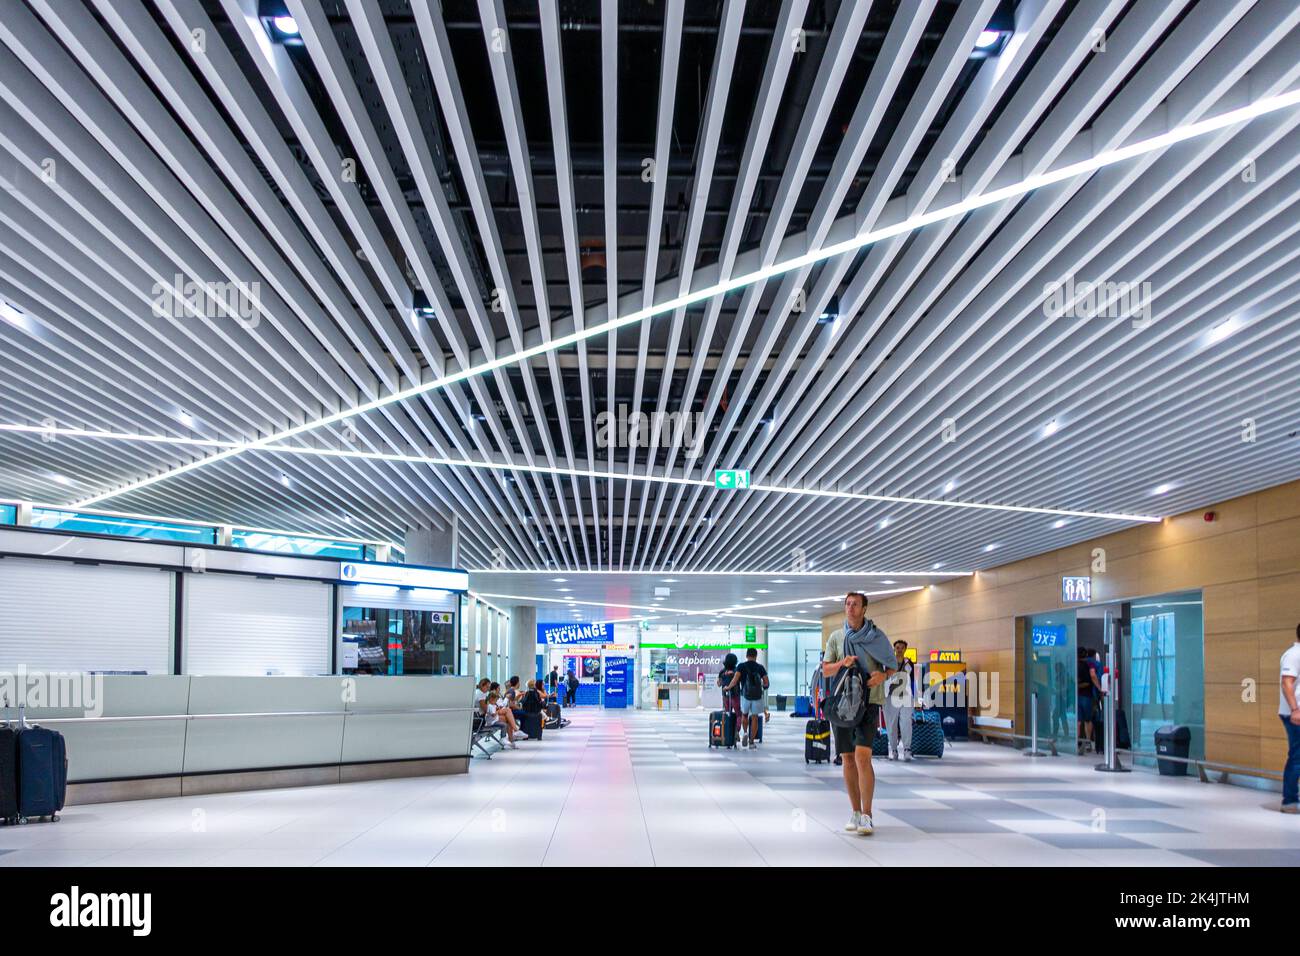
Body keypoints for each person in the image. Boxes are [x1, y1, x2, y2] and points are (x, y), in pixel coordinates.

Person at [822, 591, 897, 835]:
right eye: (847, 604)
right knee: (847, 758)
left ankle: (867, 814)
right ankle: (855, 811)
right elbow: (825, 670)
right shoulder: (836, 637)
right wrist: (841, 664)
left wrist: (882, 676)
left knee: (863, 757)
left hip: (869, 702)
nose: (850, 608)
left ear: (864, 609)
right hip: (843, 704)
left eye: (855, 604)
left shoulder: (877, 636)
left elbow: (891, 666)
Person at [725, 647, 769, 749]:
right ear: (756, 656)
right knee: (755, 717)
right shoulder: (760, 667)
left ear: (746, 655)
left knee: (744, 715)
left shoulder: (741, 666)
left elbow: (735, 680)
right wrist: (763, 686)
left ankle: (745, 732)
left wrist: (728, 687)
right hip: (757, 696)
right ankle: (751, 741)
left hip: (745, 696)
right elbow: (766, 683)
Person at [1279, 625, 1300, 813]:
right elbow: (1286, 683)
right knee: (1297, 756)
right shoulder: (1294, 655)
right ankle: (1290, 801)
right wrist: (1295, 710)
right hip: (1295, 715)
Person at [884, 639, 915, 761]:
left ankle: (907, 749)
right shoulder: (888, 662)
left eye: (902, 648)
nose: (900, 650)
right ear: (894, 649)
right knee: (891, 724)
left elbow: (912, 681)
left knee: (906, 722)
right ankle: (893, 750)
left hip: (906, 697)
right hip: (890, 697)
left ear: (905, 649)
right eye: (898, 647)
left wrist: (915, 697)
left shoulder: (909, 663)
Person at [1077, 647, 1101, 753]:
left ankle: (1078, 742)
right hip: (1087, 695)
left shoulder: (1075, 664)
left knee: (1078, 721)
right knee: (1088, 720)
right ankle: (1087, 742)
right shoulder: (1090, 663)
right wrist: (1099, 688)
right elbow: (1093, 675)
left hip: (1077, 695)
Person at [717, 653, 741, 731]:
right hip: (735, 695)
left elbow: (719, 684)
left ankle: (728, 731)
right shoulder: (737, 670)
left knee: (727, 713)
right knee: (738, 714)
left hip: (725, 695)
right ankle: (736, 731)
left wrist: (723, 678)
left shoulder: (722, 671)